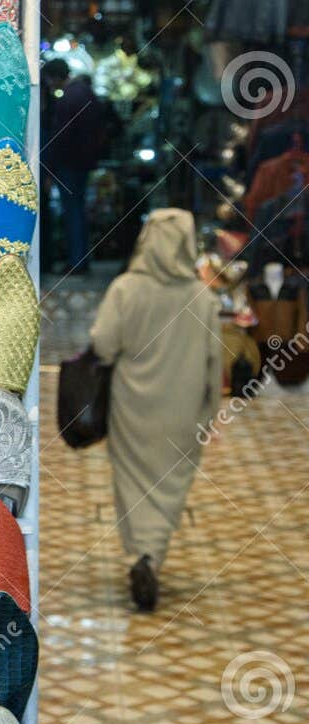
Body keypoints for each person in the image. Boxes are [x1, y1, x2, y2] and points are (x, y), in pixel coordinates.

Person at [88, 209, 223, 611]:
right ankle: (152, 554)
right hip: (182, 413)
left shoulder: (126, 289)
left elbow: (103, 344)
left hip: (131, 408)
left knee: (132, 481)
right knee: (170, 483)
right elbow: (217, 362)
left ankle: (140, 554)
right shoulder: (204, 298)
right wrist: (210, 411)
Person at [43, 70, 108, 272]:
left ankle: (77, 261)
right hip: (83, 163)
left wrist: (50, 168)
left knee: (72, 211)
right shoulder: (86, 94)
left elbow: (61, 136)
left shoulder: (69, 98)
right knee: (77, 211)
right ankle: (80, 259)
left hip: (69, 164)